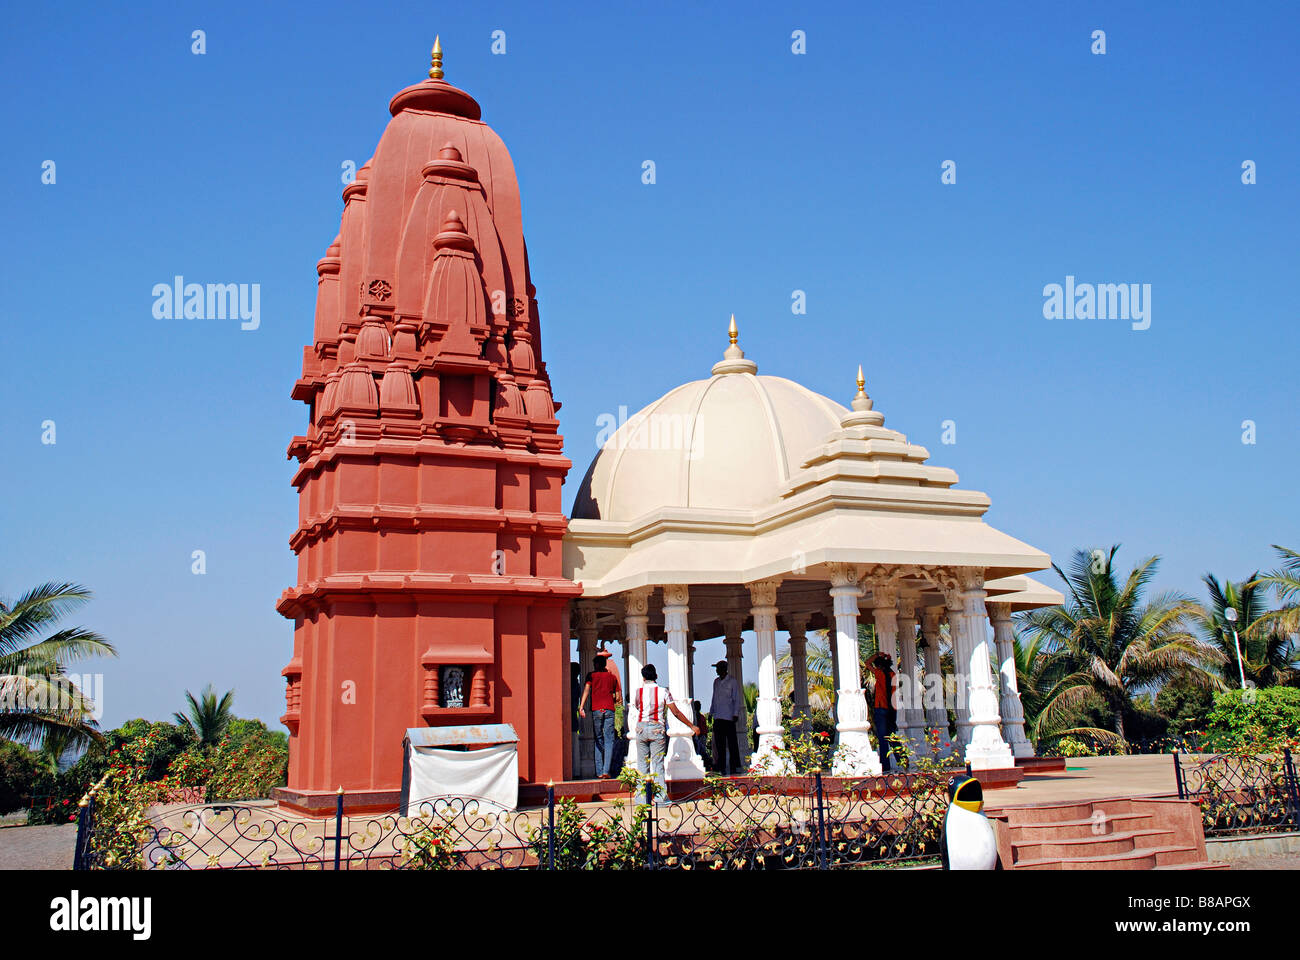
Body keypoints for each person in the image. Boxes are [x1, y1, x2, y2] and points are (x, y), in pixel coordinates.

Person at [632, 664, 697, 803]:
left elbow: (638, 707)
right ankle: (660, 798)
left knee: (642, 765)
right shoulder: (664, 692)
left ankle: (641, 799)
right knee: (657, 764)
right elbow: (676, 712)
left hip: (641, 728)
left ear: (643, 677)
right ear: (656, 676)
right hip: (657, 728)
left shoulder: (638, 692)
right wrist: (691, 725)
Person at [577, 650, 623, 779]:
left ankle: (598, 771)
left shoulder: (591, 676)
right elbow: (618, 697)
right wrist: (610, 698)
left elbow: (586, 690)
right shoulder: (612, 677)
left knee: (598, 739)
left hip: (596, 709)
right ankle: (606, 771)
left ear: (595, 665)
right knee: (609, 740)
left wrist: (581, 707)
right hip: (609, 709)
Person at [709, 660, 743, 775]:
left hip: (729, 717)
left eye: (718, 668)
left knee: (732, 743)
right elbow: (714, 698)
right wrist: (711, 713)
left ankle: (735, 766)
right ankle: (721, 767)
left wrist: (735, 713)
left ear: (723, 669)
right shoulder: (716, 682)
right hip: (718, 716)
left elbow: (736, 698)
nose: (716, 670)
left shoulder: (732, 681)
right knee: (720, 744)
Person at [869, 652, 896, 770]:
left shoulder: (879, 674)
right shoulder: (893, 674)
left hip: (881, 708)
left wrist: (876, 654)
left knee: (882, 738)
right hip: (891, 709)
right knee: (892, 736)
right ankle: (903, 760)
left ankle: (885, 765)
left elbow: (867, 663)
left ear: (879, 666)